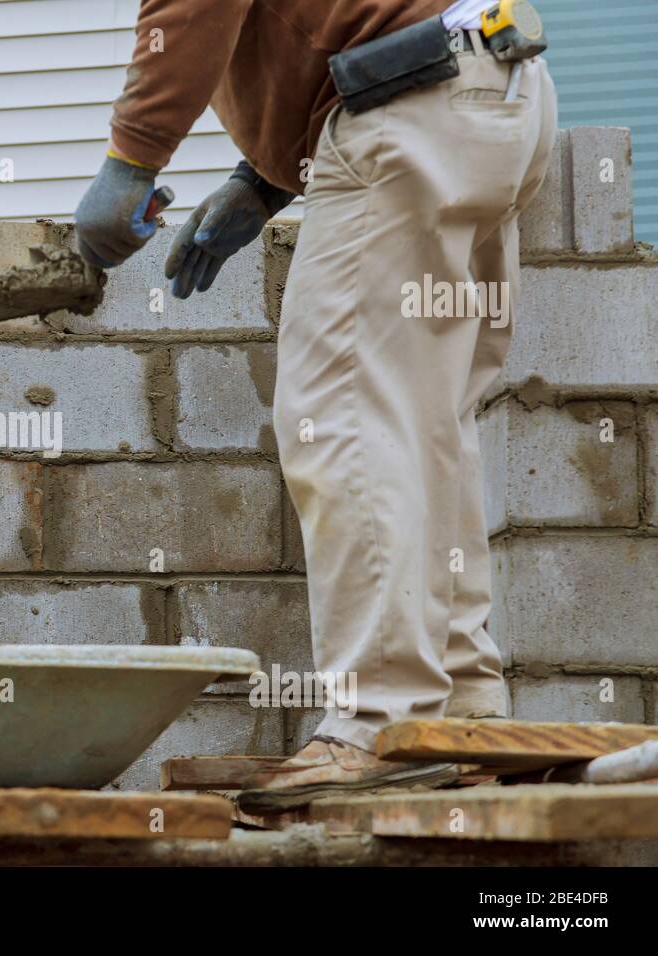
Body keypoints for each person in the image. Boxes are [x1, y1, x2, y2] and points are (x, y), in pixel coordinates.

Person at [74, 0, 556, 812]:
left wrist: (132, 160)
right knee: (425, 422)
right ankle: (462, 712)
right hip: (494, 86)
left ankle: (377, 719)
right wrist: (262, 181)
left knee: (345, 417)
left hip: (413, 105)